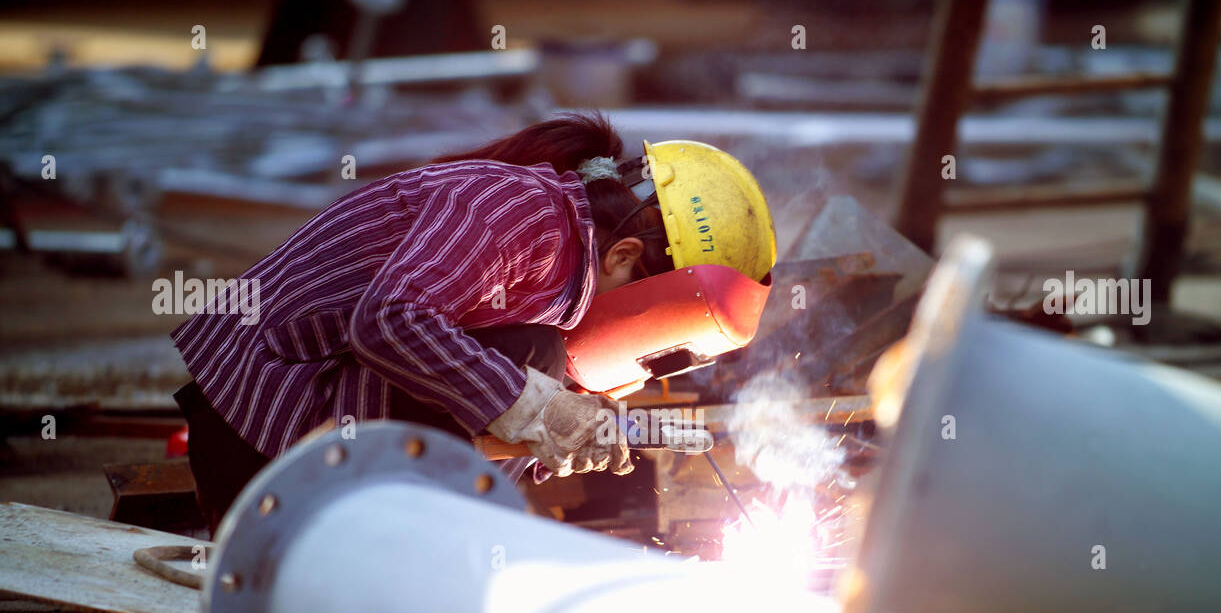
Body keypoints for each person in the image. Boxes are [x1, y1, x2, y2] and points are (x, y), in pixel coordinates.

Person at [170, 112, 775, 534]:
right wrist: (537, 408)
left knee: (543, 368)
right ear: (623, 257)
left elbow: (477, 395)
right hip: (258, 416)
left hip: (298, 422)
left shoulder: (559, 246)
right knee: (536, 359)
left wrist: (556, 433)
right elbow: (387, 320)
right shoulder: (524, 215)